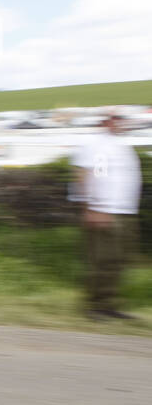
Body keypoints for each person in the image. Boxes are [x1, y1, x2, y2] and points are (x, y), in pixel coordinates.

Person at [73, 110, 142, 320]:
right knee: (103, 261)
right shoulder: (99, 145)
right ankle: (95, 308)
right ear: (107, 122)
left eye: (124, 118)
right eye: (119, 119)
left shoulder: (120, 145)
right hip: (105, 210)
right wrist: (95, 206)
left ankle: (109, 306)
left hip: (124, 211)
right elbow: (89, 176)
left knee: (117, 261)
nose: (123, 123)